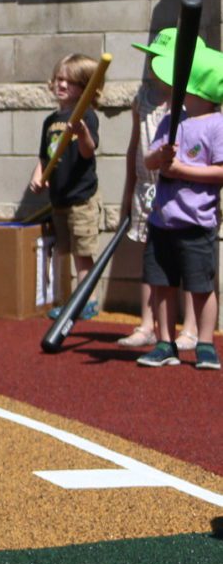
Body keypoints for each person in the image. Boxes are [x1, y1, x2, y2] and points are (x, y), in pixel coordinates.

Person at [136, 45, 223, 370]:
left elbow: (221, 171)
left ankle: (205, 343)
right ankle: (164, 342)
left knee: (201, 287)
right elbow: (149, 158)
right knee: (162, 284)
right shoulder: (171, 120)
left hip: (196, 222)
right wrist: (160, 159)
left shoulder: (216, 124)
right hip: (162, 221)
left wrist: (182, 170)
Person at [114, 31, 198, 352]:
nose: (151, 64)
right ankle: (148, 324)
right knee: (151, 261)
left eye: (159, 58)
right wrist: (128, 192)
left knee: (187, 258)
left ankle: (189, 327)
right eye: (150, 58)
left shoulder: (193, 103)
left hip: (180, 191)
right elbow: (134, 145)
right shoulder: (143, 99)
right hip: (147, 189)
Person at [29, 53, 103, 324]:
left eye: (70, 82)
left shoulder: (86, 117)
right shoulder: (50, 121)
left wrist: (81, 132)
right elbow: (44, 157)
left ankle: (87, 301)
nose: (62, 85)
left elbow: (88, 151)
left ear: (84, 88)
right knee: (63, 251)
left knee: (83, 253)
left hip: (81, 198)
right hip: (59, 199)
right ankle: (65, 299)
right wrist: (38, 178)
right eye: (59, 79)